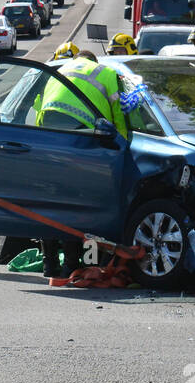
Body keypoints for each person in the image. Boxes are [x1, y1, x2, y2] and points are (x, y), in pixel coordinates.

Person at [36, 52, 130, 278]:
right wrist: (123, 145)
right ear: (93, 62)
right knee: (72, 203)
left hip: (48, 135)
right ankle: (70, 264)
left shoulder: (58, 72)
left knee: (50, 202)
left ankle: (50, 264)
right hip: (78, 136)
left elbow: (41, 111)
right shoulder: (106, 73)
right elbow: (119, 112)